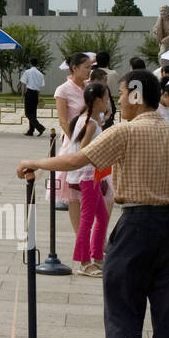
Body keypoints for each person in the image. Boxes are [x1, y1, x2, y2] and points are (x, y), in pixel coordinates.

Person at [17, 69, 169, 338]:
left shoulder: (125, 132)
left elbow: (76, 160)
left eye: (123, 94)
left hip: (136, 227)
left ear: (136, 94)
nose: (119, 101)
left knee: (125, 315)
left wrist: (37, 162)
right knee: (166, 319)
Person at [61, 81, 110, 276]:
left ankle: (97, 256)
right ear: (97, 101)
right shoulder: (89, 123)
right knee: (87, 219)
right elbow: (84, 151)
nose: (108, 102)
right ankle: (84, 262)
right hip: (87, 176)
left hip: (91, 175)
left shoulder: (88, 120)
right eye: (106, 98)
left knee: (102, 217)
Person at [54, 52, 93, 216]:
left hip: (92, 136)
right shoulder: (63, 90)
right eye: (86, 67)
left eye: (91, 67)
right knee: (73, 190)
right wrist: (75, 141)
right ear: (74, 68)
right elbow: (63, 121)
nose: (89, 71)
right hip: (73, 139)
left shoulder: (89, 88)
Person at [18, 59, 47, 136]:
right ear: (37, 64)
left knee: (28, 113)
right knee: (33, 113)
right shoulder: (40, 74)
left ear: (30, 63)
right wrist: (39, 96)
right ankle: (31, 130)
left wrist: (22, 95)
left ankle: (40, 127)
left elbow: (23, 84)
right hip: (35, 94)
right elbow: (40, 86)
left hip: (29, 93)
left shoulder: (27, 72)